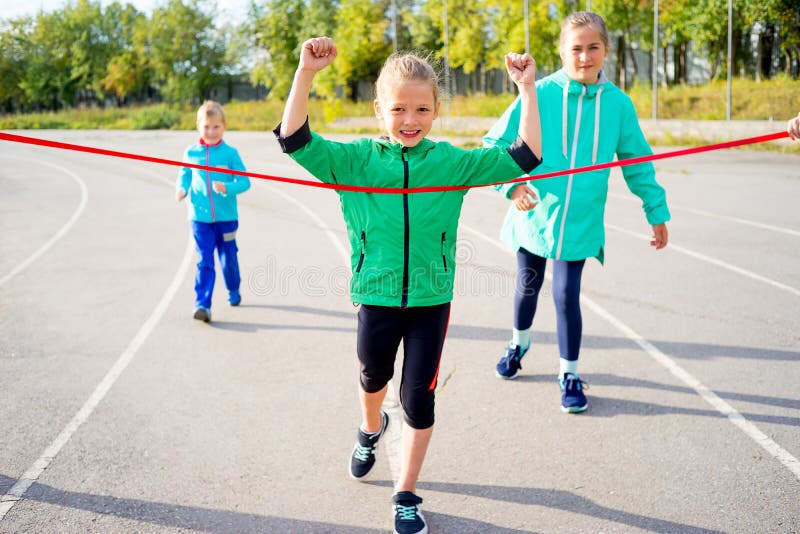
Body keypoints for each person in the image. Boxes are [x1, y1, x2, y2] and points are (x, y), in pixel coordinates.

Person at [274, 37, 541, 534]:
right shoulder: (355, 162)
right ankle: (370, 428)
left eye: (421, 108)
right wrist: (306, 73)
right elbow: (293, 139)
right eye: (398, 108)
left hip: (429, 301)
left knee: (418, 397)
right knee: (373, 379)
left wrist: (527, 89)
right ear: (379, 110)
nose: (410, 118)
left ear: (437, 110)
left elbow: (524, 156)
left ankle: (406, 493)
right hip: (374, 298)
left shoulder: (452, 163)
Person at [484, 11, 671, 413]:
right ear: (562, 51)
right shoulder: (540, 92)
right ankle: (519, 343)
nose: (584, 57)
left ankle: (569, 372)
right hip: (532, 216)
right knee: (527, 287)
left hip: (580, 222)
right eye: (576, 49)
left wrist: (655, 210)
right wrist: (512, 186)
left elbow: (637, 161)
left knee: (567, 294)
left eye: (593, 48)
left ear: (606, 50)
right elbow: (493, 145)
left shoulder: (619, 105)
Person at [176, 100, 251, 322]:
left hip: (226, 218)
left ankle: (234, 290)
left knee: (228, 259)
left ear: (224, 127)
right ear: (198, 126)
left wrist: (228, 188)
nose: (211, 131)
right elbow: (185, 173)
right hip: (199, 218)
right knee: (204, 260)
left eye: (216, 127)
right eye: (206, 126)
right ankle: (202, 304)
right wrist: (181, 188)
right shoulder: (191, 153)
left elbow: (245, 182)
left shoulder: (230, 154)